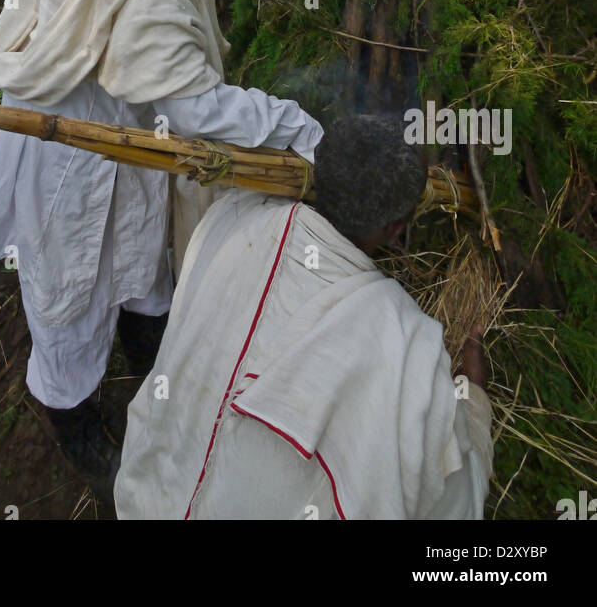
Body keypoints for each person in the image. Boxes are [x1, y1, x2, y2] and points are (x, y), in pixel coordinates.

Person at [0, 0, 322, 492]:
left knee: (138, 248)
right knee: (73, 281)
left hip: (123, 122)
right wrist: (297, 127)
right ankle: (70, 417)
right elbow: (190, 104)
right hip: (77, 140)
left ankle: (146, 342)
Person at [116, 114, 493, 521]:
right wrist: (473, 399)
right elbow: (456, 501)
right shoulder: (404, 345)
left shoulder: (229, 220)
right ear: (397, 228)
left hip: (143, 495)